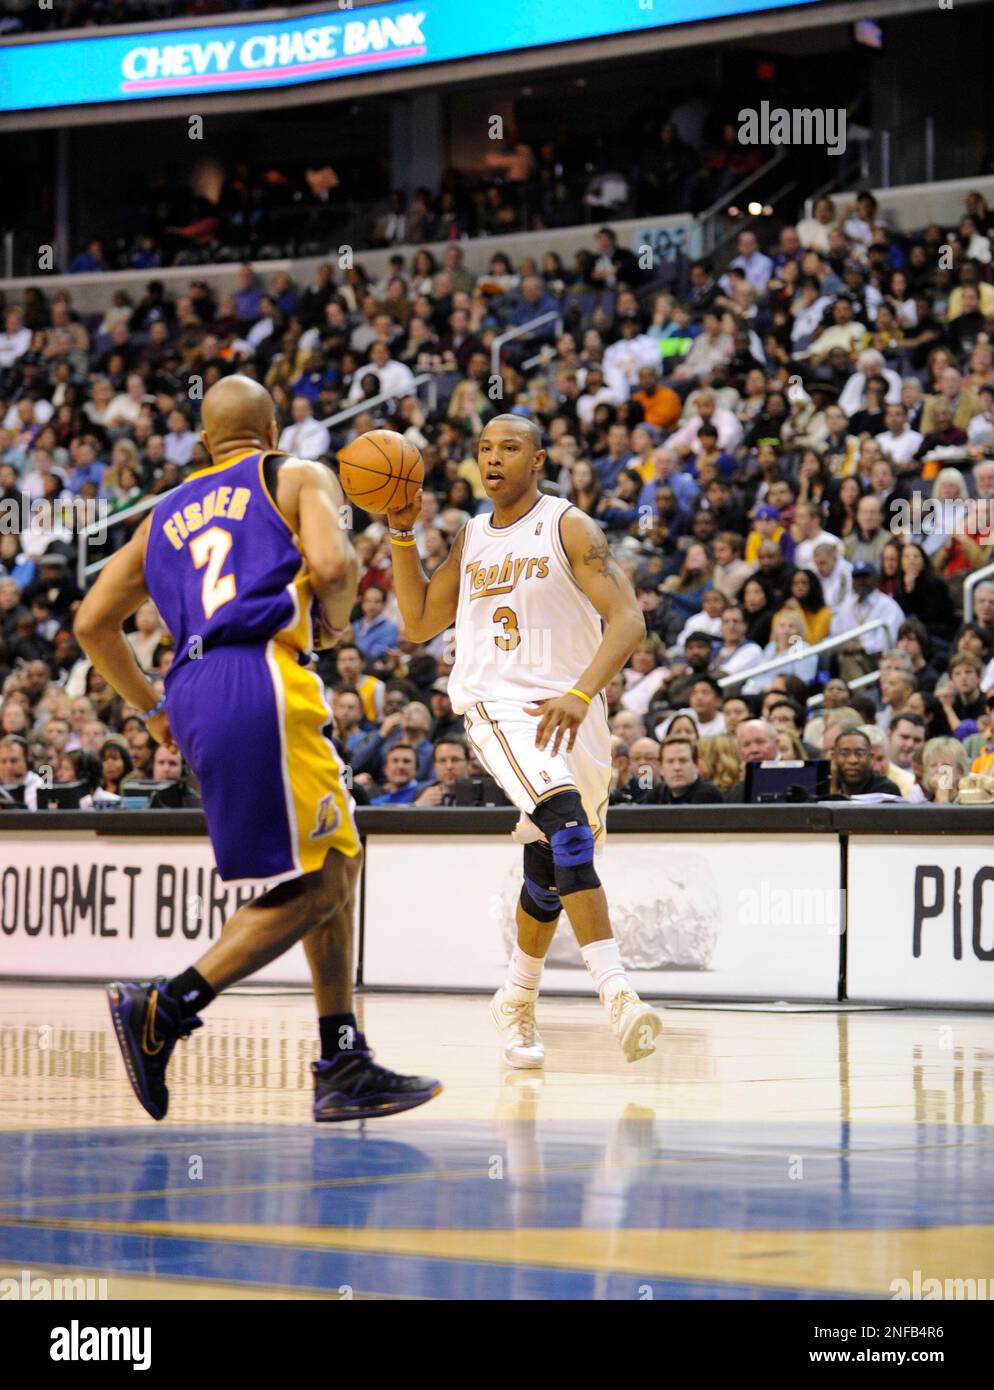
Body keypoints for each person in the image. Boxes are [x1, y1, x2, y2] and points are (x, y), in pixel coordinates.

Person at [74, 374, 440, 1124]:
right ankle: (164, 1007)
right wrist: (335, 621)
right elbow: (335, 569)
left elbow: (91, 623)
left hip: (194, 686)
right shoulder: (296, 473)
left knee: (335, 856)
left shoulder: (162, 515)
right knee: (319, 882)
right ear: (272, 433)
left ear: (206, 445)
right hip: (263, 675)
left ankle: (342, 1060)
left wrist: (149, 713)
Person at [387, 413, 661, 1067]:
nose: (493, 458)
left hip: (574, 710)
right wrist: (401, 532)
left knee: (549, 861)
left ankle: (516, 995)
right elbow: (420, 621)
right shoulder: (472, 536)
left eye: (510, 448)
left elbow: (628, 621)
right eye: (484, 448)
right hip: (498, 704)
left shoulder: (569, 525)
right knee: (565, 827)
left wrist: (582, 693)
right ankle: (618, 994)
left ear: (537, 461)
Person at [641, 734, 724, 804]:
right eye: (670, 761)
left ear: (696, 765)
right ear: (661, 768)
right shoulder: (657, 793)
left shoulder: (709, 794)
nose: (677, 767)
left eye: (683, 761)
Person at [830, 728, 902, 798]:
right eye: (844, 753)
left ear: (870, 758)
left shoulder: (885, 791)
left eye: (860, 754)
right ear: (834, 757)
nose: (852, 760)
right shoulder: (825, 785)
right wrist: (832, 784)